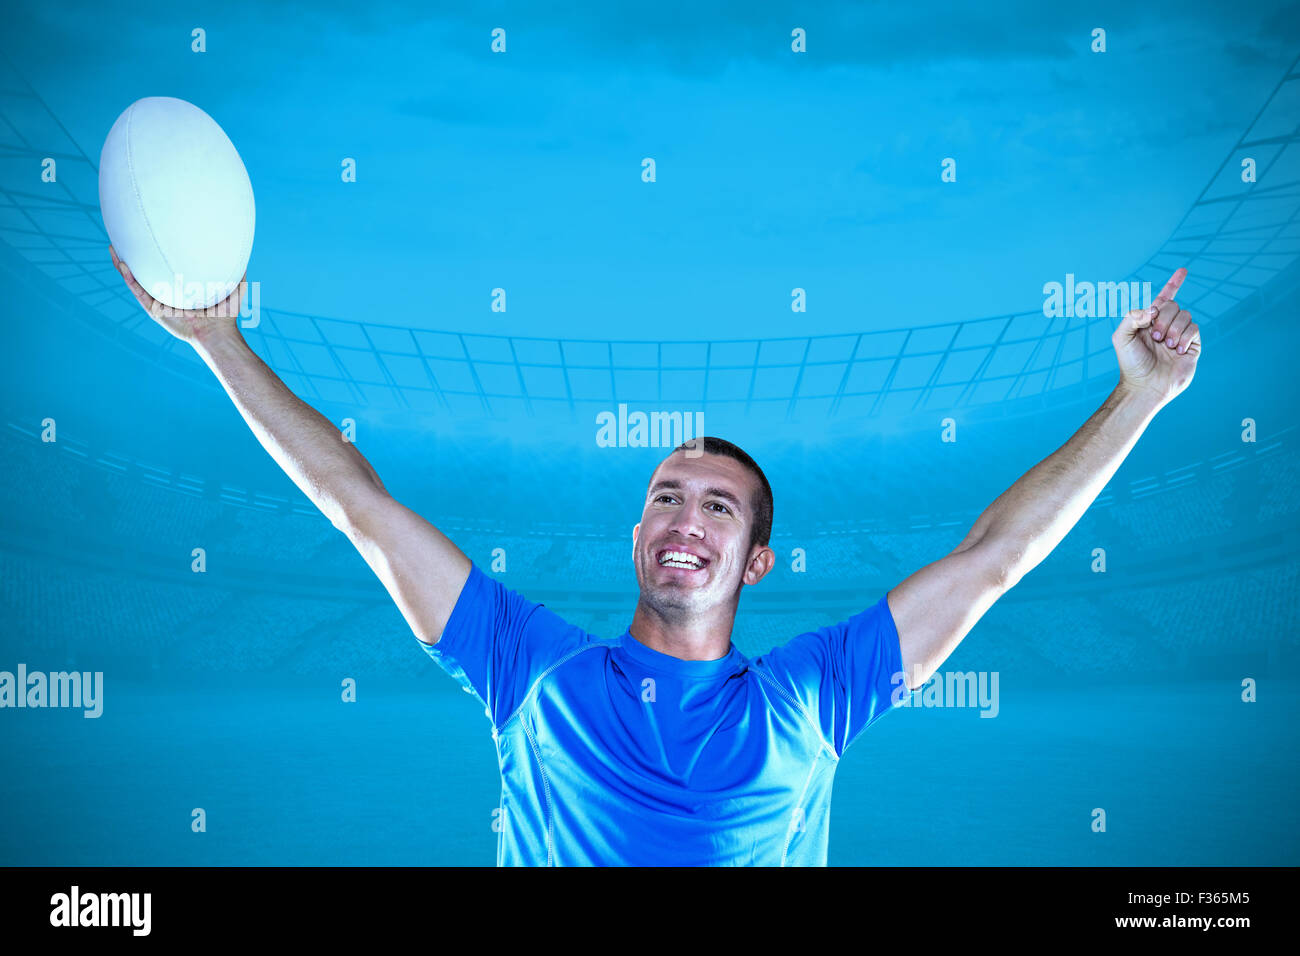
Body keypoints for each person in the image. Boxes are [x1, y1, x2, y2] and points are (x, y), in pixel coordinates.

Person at [110, 249, 1201, 865]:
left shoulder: (814, 694)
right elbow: (357, 503)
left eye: (719, 506)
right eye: (665, 496)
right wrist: (217, 338)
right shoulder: (527, 664)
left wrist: (1136, 399)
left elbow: (995, 555)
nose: (686, 515)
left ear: (756, 560)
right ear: (636, 537)